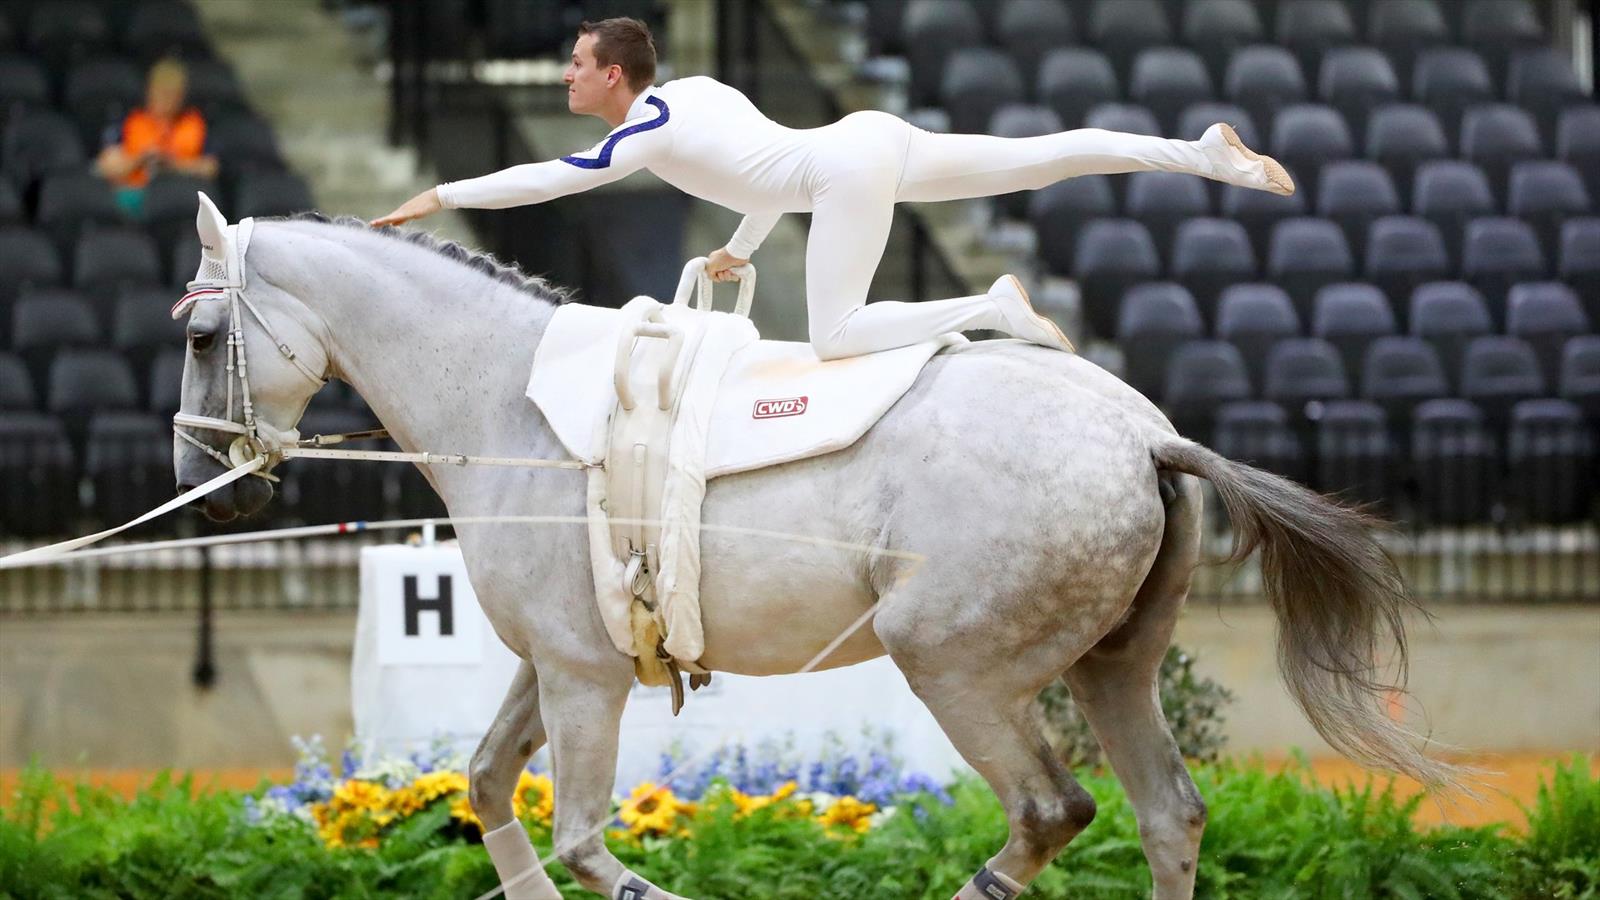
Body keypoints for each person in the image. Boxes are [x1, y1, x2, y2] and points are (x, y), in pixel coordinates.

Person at [373, 18, 1293, 360]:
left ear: (616, 75)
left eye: (577, 67)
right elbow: (770, 168)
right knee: (1044, 153)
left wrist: (444, 192)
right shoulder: (695, 93)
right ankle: (1204, 153)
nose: (566, 79)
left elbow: (547, 179)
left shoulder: (647, 130)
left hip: (843, 165)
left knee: (834, 337)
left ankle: (994, 307)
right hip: (863, 146)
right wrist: (744, 244)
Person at [95, 58, 219, 218]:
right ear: (149, 91)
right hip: (138, 193)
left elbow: (210, 168)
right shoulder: (131, 121)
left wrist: (172, 164)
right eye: (162, 92)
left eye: (173, 94)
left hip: (181, 194)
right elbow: (106, 166)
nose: (167, 99)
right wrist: (140, 160)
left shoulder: (194, 123)